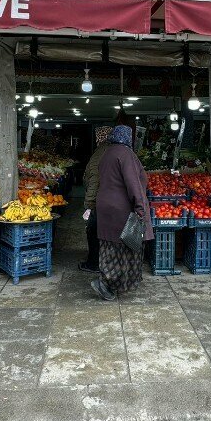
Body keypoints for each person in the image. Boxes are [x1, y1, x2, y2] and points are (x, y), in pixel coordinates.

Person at [91, 125, 153, 301]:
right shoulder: (126, 154)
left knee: (109, 246)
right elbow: (134, 184)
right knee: (126, 246)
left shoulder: (107, 153)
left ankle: (108, 281)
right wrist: (141, 209)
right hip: (121, 209)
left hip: (105, 207)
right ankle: (107, 283)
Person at [79, 126, 113, 273]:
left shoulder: (101, 152)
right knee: (104, 233)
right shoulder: (114, 150)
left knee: (93, 232)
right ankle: (105, 261)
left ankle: (94, 263)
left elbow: (94, 179)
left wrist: (89, 203)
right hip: (110, 200)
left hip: (98, 201)